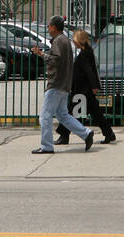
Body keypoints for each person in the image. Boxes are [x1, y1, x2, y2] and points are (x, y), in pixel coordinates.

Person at [32, 16, 94, 154]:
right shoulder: (65, 40)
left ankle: (47, 146)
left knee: (45, 116)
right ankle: (86, 133)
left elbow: (56, 60)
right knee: (62, 114)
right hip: (64, 84)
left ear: (54, 27)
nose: (48, 28)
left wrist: (42, 54)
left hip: (56, 83)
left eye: (49, 26)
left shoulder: (59, 41)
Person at [56, 29, 116, 145]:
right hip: (84, 89)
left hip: (82, 89)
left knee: (70, 113)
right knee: (95, 113)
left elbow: (89, 72)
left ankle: (64, 136)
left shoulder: (84, 55)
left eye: (74, 40)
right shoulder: (88, 52)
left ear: (79, 40)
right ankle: (109, 133)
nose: (73, 42)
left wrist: (94, 86)